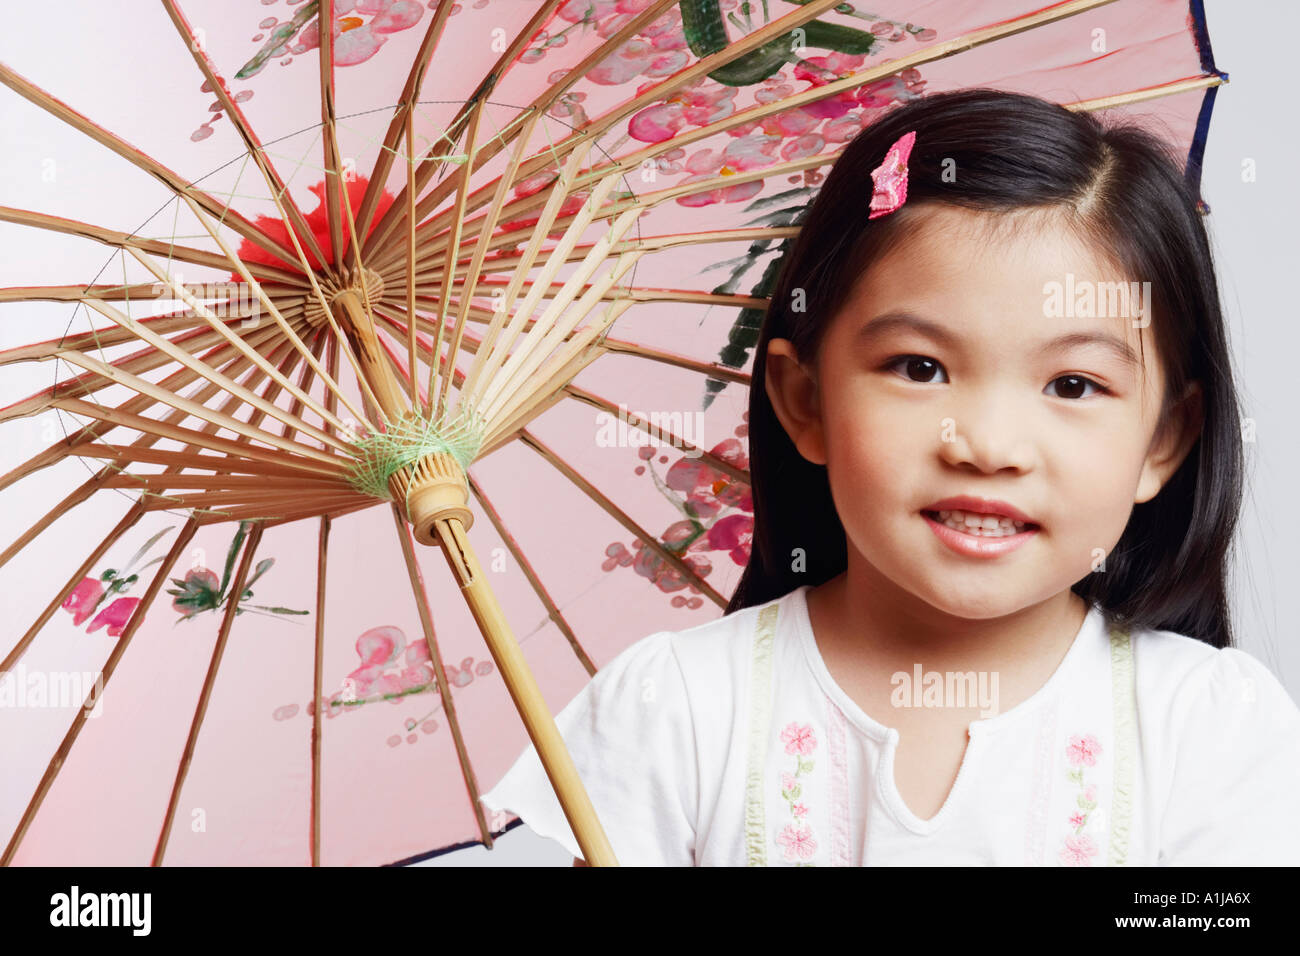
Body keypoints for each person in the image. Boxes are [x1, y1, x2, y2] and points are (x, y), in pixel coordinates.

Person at [478, 87, 1300, 866]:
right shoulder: (675, 714)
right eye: (918, 367)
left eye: (1072, 386)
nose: (986, 445)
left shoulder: (1210, 728)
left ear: (1163, 441)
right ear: (807, 401)